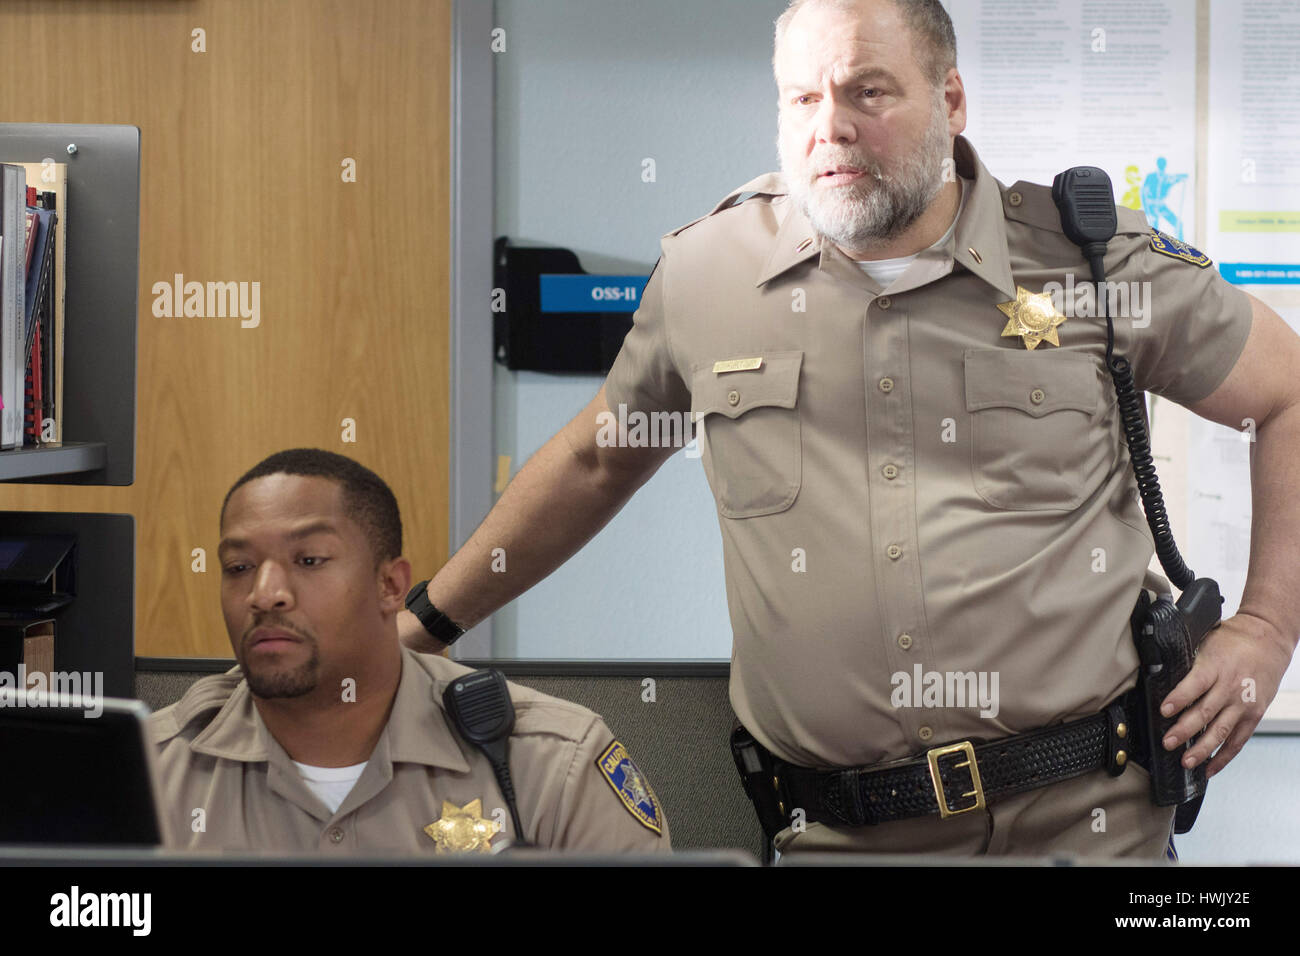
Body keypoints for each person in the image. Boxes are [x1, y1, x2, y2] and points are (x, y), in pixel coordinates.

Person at [400, 0, 1298, 860]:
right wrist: (427, 622)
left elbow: (1288, 392)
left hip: (1086, 830)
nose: (829, 125)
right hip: (839, 838)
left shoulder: (1089, 264)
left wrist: (1265, 629)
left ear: (950, 99)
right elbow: (599, 461)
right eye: (802, 97)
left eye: (867, 91)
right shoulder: (709, 274)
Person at [150, 449, 670, 854]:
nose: (264, 594)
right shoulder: (150, 771)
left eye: (308, 560)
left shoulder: (548, 765)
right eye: (238, 567)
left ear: (389, 586)